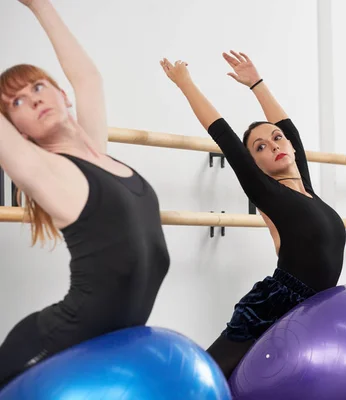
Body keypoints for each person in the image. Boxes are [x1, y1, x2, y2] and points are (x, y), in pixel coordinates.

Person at [0, 0, 170, 387]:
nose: (34, 99)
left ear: (63, 95)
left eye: (38, 87)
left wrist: (41, 6)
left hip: (103, 352)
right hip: (50, 348)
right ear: (19, 131)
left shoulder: (98, 154)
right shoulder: (44, 171)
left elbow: (89, 79)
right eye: (17, 103)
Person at [160, 50, 346, 378]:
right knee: (211, 376)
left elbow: (289, 130)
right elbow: (224, 136)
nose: (273, 145)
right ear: (255, 166)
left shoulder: (308, 190)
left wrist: (256, 83)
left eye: (276, 139)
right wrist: (185, 84)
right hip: (274, 306)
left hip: (311, 311)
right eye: (260, 147)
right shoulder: (269, 194)